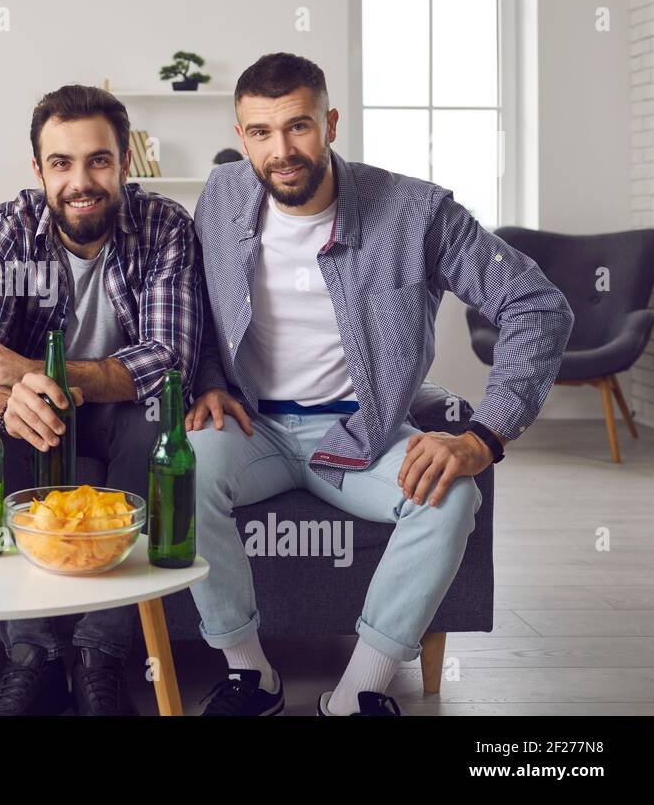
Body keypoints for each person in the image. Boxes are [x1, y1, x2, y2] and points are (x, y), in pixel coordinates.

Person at [187, 52, 573, 716]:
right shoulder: (221, 195)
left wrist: (484, 433)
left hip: (361, 434)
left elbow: (536, 303)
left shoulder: (416, 212)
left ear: (331, 122)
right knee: (181, 469)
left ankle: (362, 687)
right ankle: (251, 673)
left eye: (299, 126)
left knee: (452, 498)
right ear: (242, 135)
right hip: (256, 428)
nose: (281, 150)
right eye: (260, 132)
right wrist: (207, 378)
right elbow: (197, 300)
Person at [0, 84, 201, 716]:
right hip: (40, 409)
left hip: (122, 414)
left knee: (155, 427)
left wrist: (31, 367)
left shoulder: (164, 225)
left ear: (126, 163)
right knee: (0, 422)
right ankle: (32, 656)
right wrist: (7, 395)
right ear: (38, 170)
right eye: (61, 164)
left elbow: (171, 359)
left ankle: (101, 655)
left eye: (98, 160)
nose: (80, 181)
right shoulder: (7, 226)